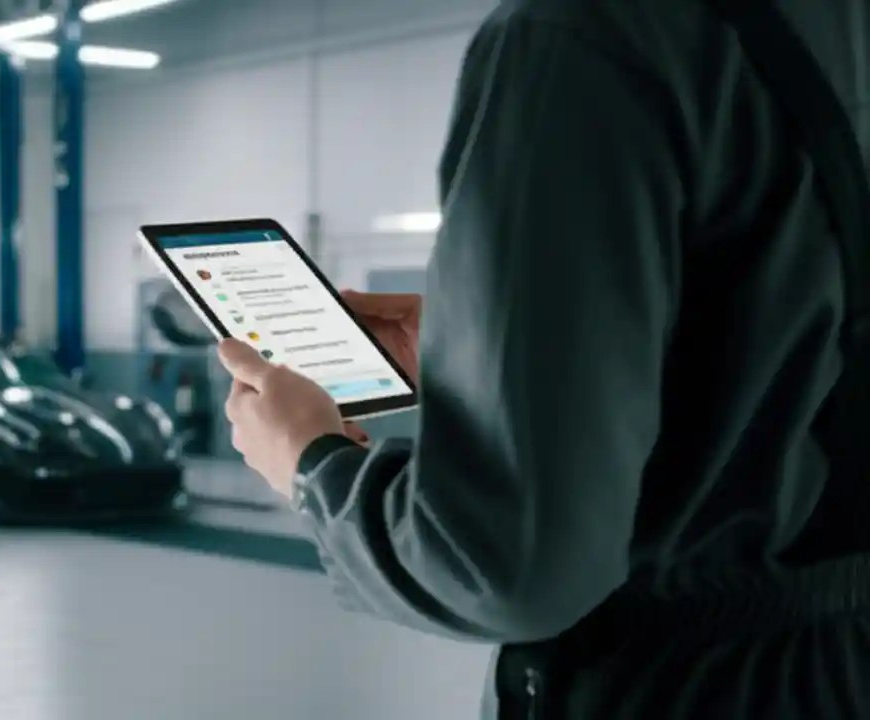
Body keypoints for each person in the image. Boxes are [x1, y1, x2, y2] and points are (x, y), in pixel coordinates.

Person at [217, 0, 870, 717]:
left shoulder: (577, 35)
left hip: (677, 690)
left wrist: (313, 463)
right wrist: (512, 345)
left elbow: (506, 567)